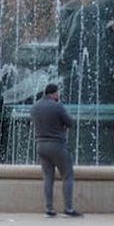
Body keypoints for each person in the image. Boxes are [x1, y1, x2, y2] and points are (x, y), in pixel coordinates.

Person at [31, 83, 82, 217]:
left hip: (41, 145)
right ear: (53, 93)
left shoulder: (35, 107)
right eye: (58, 93)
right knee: (67, 175)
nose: (59, 95)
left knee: (48, 177)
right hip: (57, 145)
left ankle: (49, 209)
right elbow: (70, 123)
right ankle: (69, 209)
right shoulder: (57, 106)